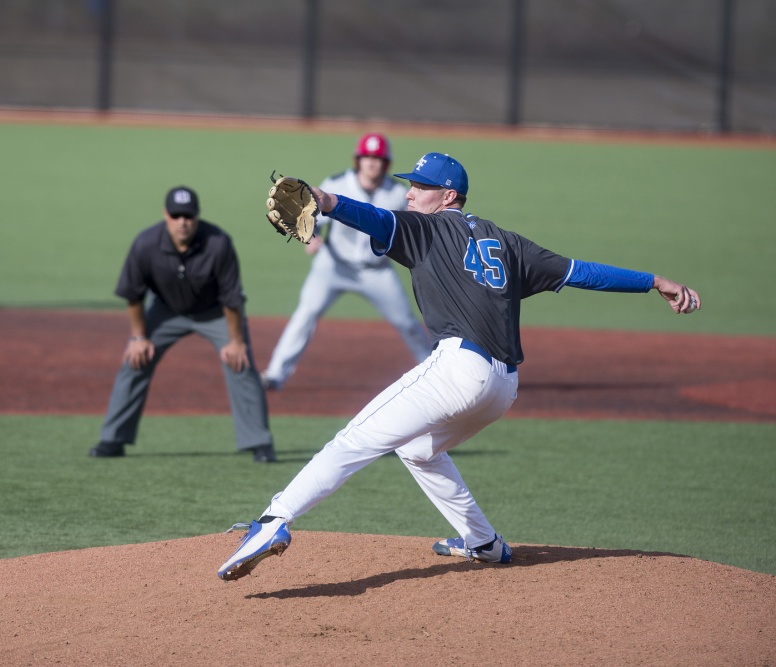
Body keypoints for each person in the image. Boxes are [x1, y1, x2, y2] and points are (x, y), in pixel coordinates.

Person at [218, 151, 701, 580]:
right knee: (419, 451)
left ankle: (273, 521)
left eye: (420, 187)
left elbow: (369, 217)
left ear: (448, 196)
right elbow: (582, 272)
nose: (410, 194)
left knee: (354, 439)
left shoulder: (425, 230)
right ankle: (484, 543)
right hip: (502, 387)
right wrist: (654, 281)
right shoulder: (509, 243)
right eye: (409, 185)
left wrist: (326, 200)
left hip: (459, 368)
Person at [90, 186, 277, 463]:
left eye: (188, 215)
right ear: (166, 215)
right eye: (176, 215)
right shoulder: (146, 244)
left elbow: (232, 298)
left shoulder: (218, 243)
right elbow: (133, 295)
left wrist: (236, 342)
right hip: (166, 311)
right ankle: (113, 439)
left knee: (240, 362)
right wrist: (138, 337)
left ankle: (259, 442)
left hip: (215, 312)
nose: (183, 222)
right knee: (136, 360)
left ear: (197, 216)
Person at [261, 133, 431, 390]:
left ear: (386, 164)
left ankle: (433, 371)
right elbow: (310, 219)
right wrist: (312, 237)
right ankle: (275, 374)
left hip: (377, 272)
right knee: (306, 313)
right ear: (358, 160)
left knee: (407, 322)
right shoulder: (337, 183)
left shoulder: (397, 194)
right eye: (367, 157)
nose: (372, 162)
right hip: (333, 266)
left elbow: (411, 229)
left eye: (377, 158)